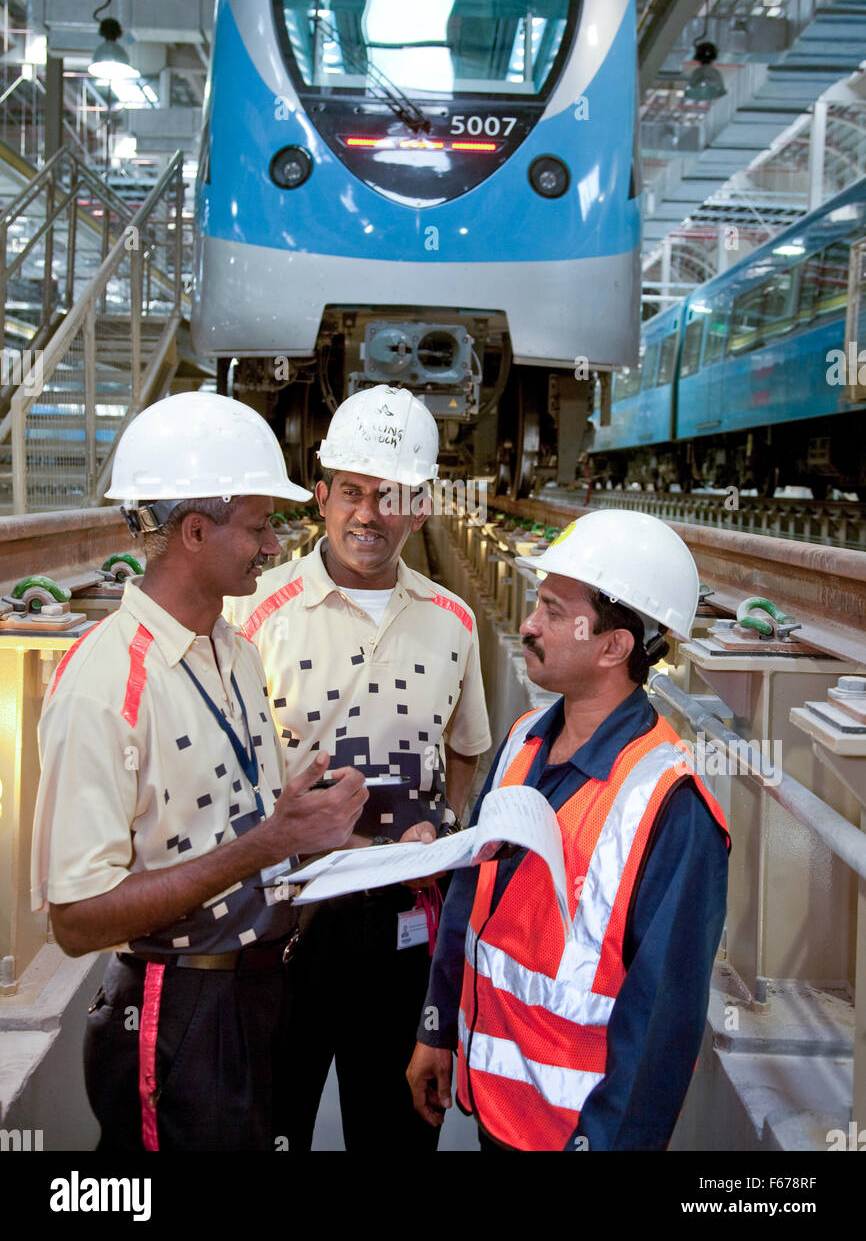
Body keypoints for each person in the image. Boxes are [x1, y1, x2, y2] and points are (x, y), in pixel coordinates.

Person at [30, 391, 370, 1152]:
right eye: (258, 526)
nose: (275, 543)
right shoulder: (106, 684)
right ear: (193, 530)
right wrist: (263, 844)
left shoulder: (236, 651)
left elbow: (232, 831)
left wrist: (307, 835)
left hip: (254, 993)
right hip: (175, 1016)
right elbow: (77, 919)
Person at [406, 510, 731, 1152]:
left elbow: (661, 1024)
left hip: (573, 1134)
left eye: (553, 611)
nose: (528, 625)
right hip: (493, 1107)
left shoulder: (671, 808)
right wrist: (437, 1025)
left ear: (614, 646)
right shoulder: (523, 742)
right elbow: (470, 901)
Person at [227, 384, 492, 1151]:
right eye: (351, 491)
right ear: (321, 496)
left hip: (405, 924)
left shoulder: (453, 621)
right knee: (271, 1127)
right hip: (285, 918)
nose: (368, 514)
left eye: (391, 495)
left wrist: (437, 836)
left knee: (396, 1132)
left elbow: (466, 748)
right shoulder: (256, 611)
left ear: (420, 507)